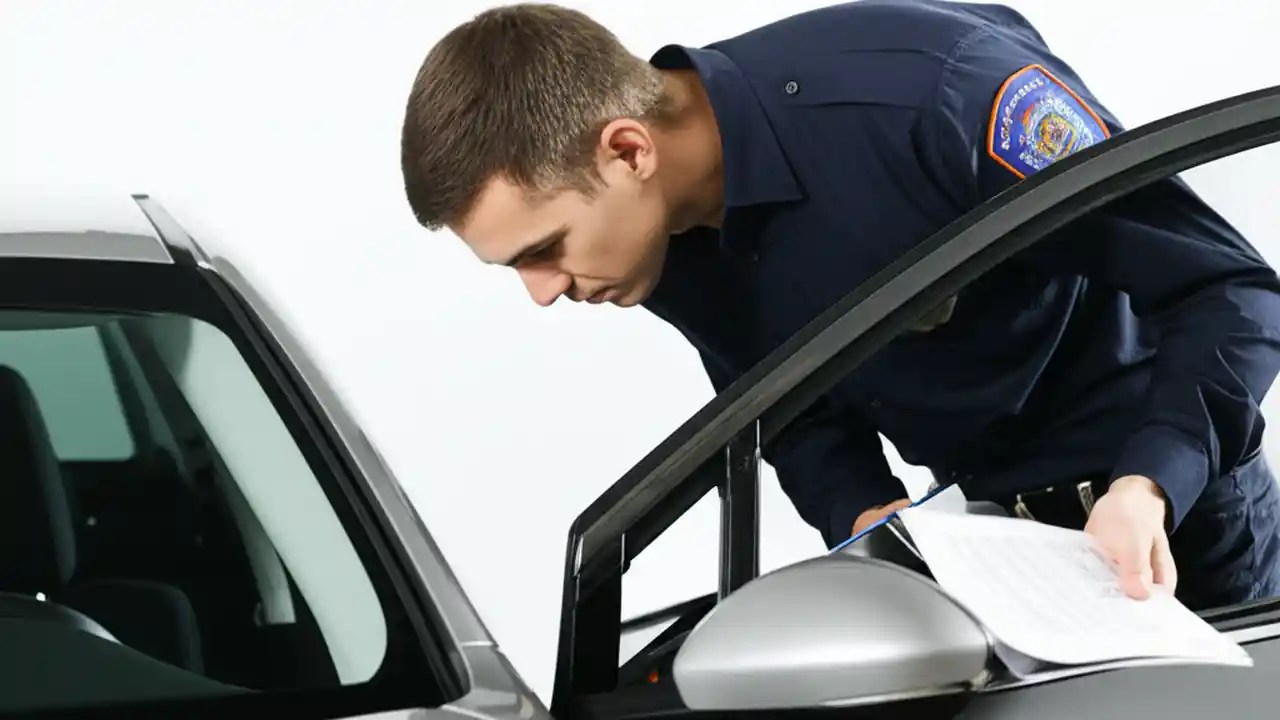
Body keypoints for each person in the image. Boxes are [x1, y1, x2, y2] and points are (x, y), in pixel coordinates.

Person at [398, 0, 1280, 611]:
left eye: (542, 250)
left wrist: (1149, 483)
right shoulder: (654, 235)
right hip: (1000, 567)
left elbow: (1227, 290)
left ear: (627, 150)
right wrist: (869, 525)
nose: (543, 292)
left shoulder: (937, 98)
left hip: (1176, 530)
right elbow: (785, 399)